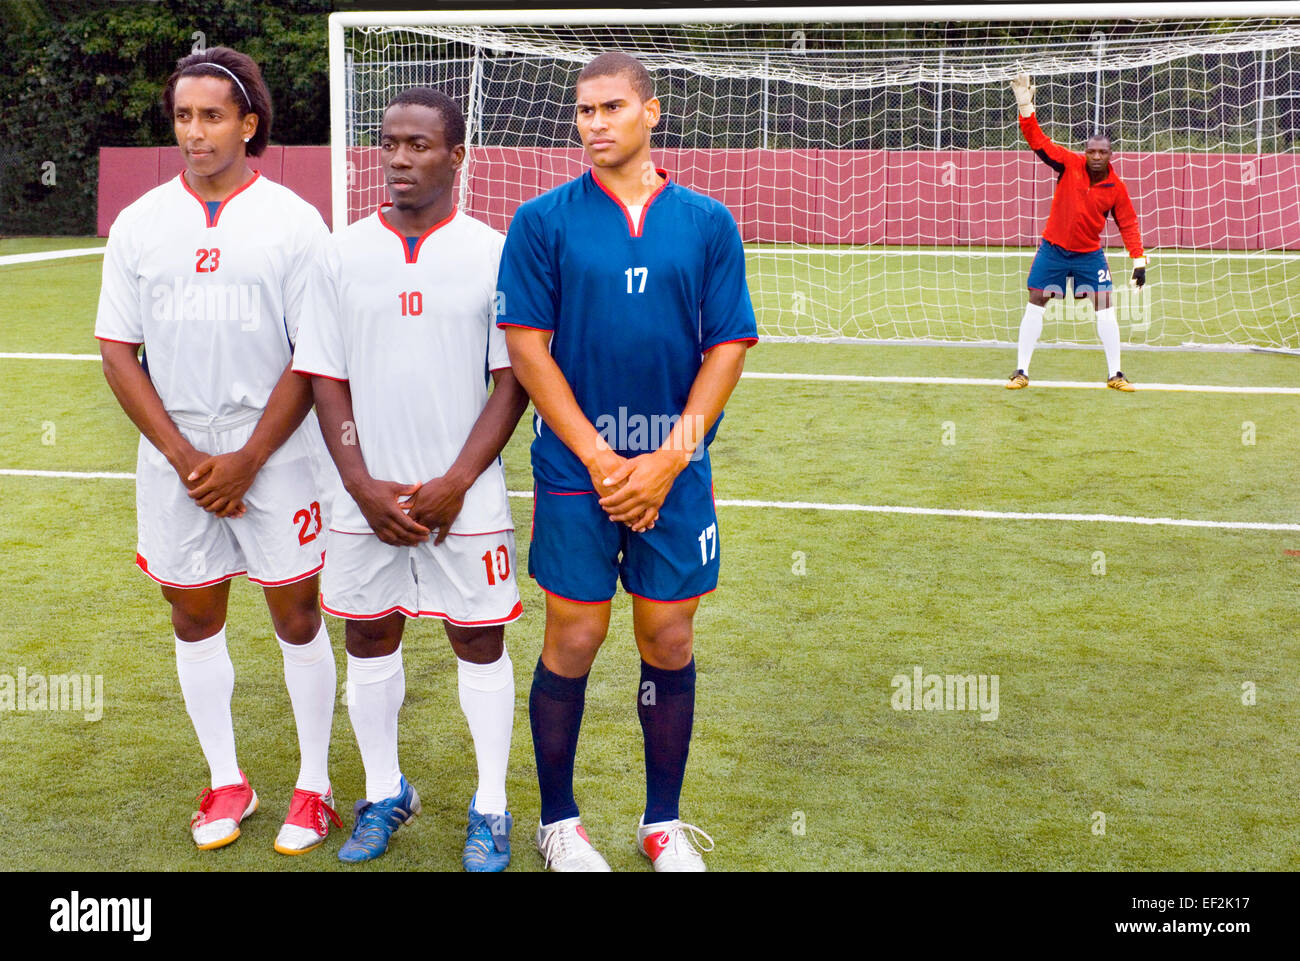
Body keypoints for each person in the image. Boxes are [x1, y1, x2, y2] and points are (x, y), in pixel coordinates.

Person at [496, 52, 757, 872]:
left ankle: (662, 823)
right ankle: (560, 822)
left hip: (674, 471)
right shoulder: (542, 220)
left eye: (611, 107)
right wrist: (606, 459)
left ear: (651, 111)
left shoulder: (708, 221)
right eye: (583, 111)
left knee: (668, 635)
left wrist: (667, 460)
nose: (595, 123)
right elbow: (529, 351)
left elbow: (727, 348)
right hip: (579, 468)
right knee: (574, 634)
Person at [95, 47, 341, 855]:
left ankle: (315, 785)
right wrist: (183, 456)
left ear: (249, 123)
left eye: (210, 116)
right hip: (177, 458)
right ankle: (227, 777)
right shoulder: (141, 223)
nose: (193, 132)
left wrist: (245, 460)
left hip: (278, 452)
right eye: (182, 116)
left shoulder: (295, 222)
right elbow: (117, 350)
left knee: (295, 612)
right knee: (194, 610)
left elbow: (315, 354)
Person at [293, 88, 529, 870]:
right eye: (389, 142)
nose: (397, 158)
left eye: (419, 144)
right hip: (365, 493)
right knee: (368, 632)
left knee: (478, 637)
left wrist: (458, 480)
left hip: (468, 496)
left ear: (457, 156)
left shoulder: (495, 251)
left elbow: (512, 379)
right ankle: (384, 789)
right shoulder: (339, 251)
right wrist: (359, 482)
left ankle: (490, 804)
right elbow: (326, 377)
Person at [1006, 73, 1147, 391]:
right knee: (1035, 301)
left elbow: (1128, 223)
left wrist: (1138, 261)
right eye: (1092, 151)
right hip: (1053, 249)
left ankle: (1116, 375)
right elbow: (1038, 142)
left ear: (1111, 155)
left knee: (1105, 305)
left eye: (1103, 152)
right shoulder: (1069, 164)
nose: (1096, 156)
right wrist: (1025, 106)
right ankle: (1021, 372)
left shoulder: (1116, 187)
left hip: (1088, 255)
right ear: (1086, 152)